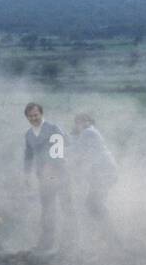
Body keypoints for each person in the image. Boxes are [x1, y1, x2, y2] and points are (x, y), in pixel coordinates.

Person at [23, 102, 73, 251]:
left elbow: (61, 149)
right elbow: (28, 156)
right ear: (27, 117)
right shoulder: (29, 134)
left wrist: (50, 167)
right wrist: (26, 174)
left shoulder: (53, 128)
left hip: (60, 174)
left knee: (67, 208)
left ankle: (71, 242)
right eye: (30, 116)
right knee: (47, 210)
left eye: (36, 115)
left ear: (41, 114)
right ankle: (46, 243)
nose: (34, 118)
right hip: (43, 178)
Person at [71, 112, 119, 242]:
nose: (80, 124)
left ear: (89, 122)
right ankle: (107, 234)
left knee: (93, 203)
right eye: (78, 122)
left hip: (104, 172)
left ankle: (111, 235)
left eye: (83, 121)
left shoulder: (89, 132)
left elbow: (80, 156)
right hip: (103, 172)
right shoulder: (88, 133)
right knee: (93, 204)